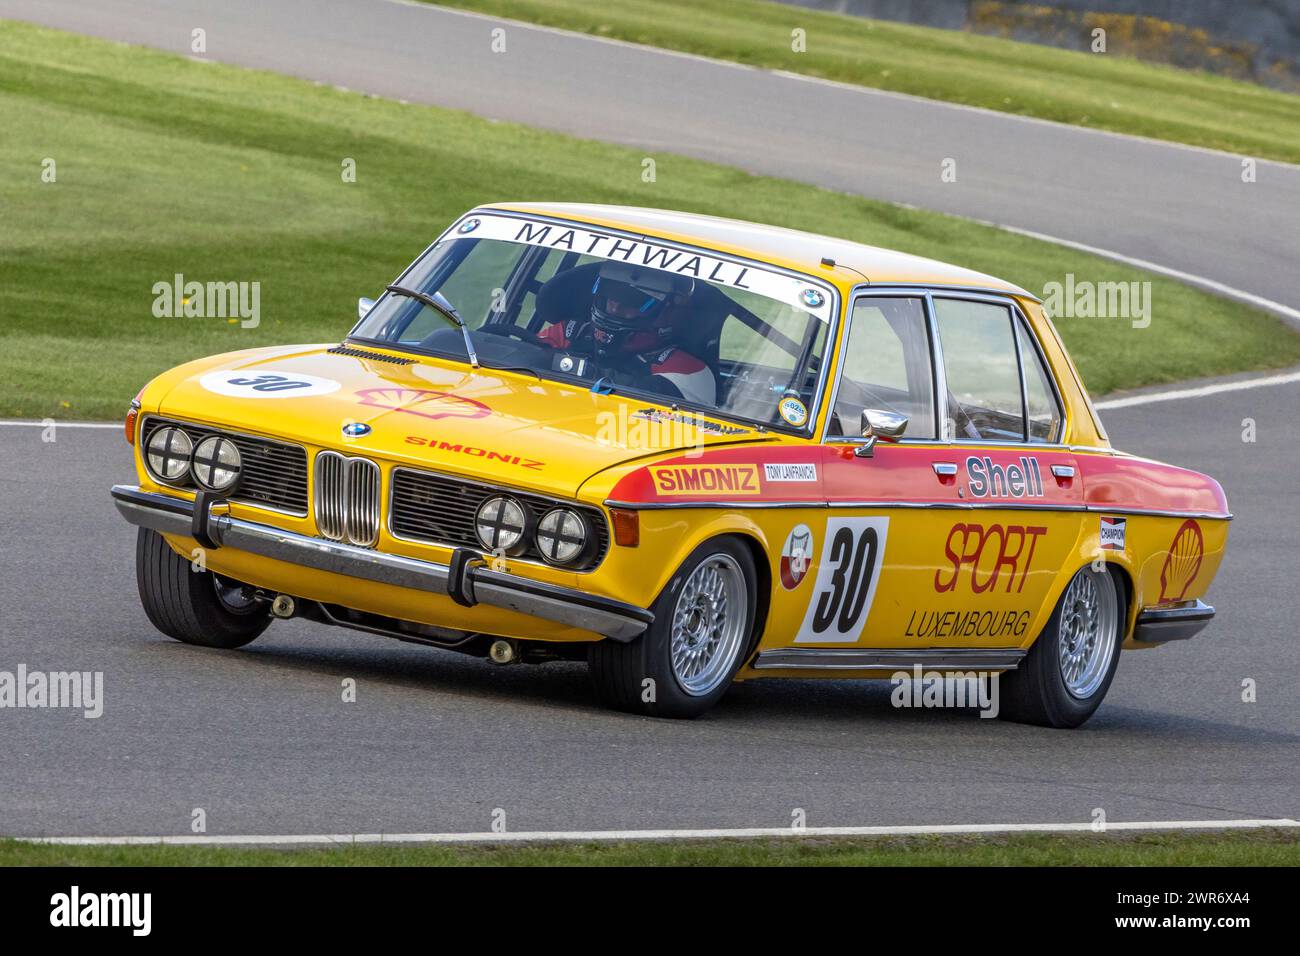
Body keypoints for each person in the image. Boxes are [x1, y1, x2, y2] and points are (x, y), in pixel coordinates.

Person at [538, 261, 717, 406]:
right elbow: (527, 356)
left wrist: (560, 364)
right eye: (609, 295)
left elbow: (642, 398)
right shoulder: (573, 331)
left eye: (631, 301)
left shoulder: (690, 369)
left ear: (668, 313)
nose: (614, 307)